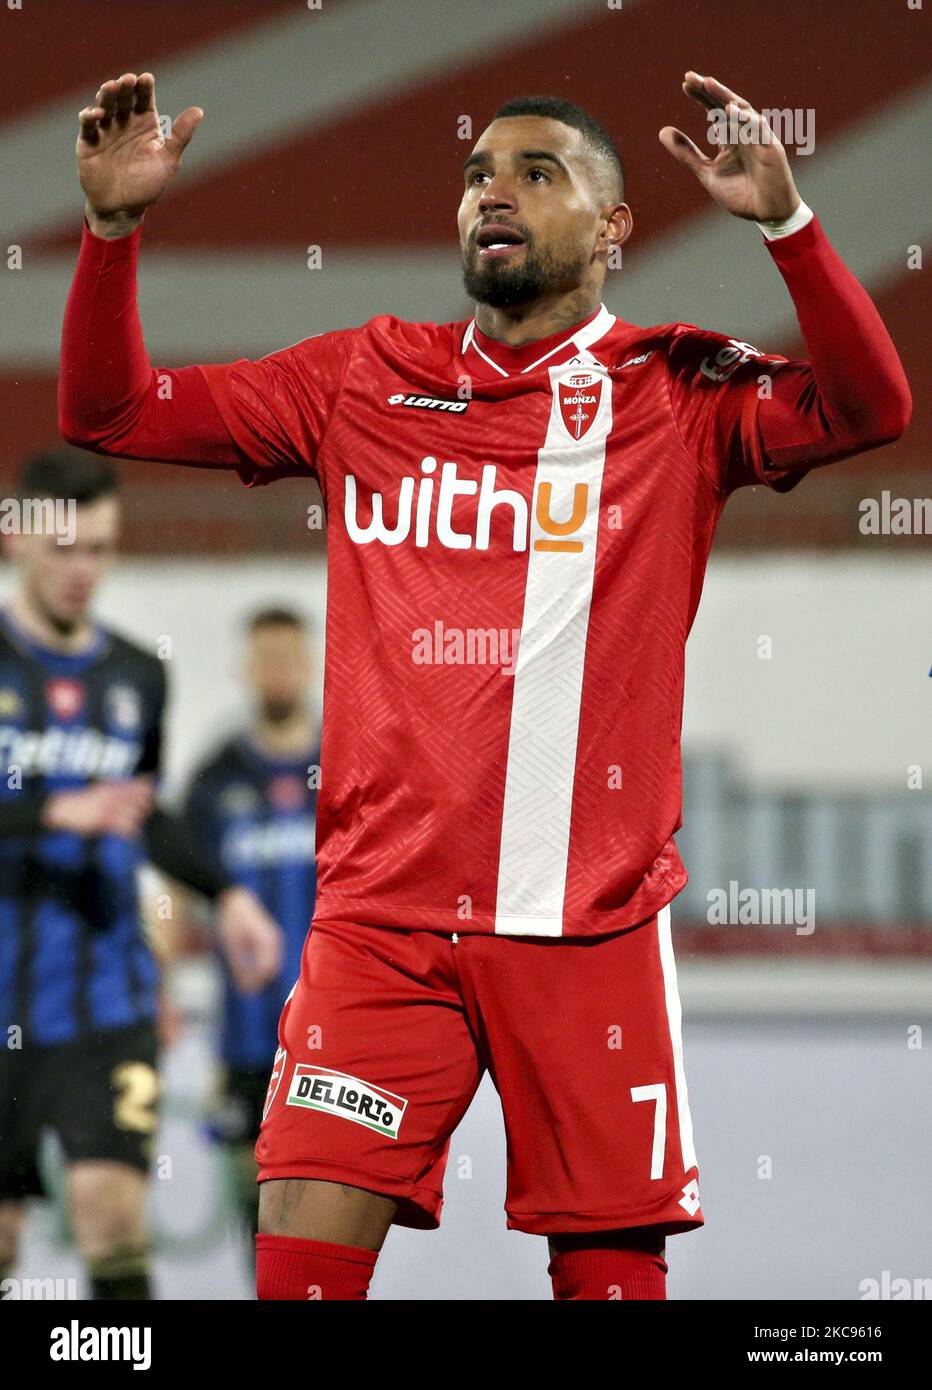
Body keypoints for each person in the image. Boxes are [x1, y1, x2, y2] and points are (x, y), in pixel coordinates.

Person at [59, 71, 910, 1301]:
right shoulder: (361, 379)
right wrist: (113, 232)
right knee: (296, 1277)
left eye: (535, 173)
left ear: (613, 230)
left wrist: (789, 230)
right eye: (475, 175)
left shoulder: (672, 393)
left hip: (588, 931)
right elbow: (112, 409)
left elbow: (868, 406)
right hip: (380, 931)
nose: (490, 195)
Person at [0, 448, 282, 1300]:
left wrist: (226, 893)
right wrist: (53, 809)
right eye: (64, 550)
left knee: (112, 1212)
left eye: (100, 548)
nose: (83, 570)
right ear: (16, 541)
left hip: (106, 1002)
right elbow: (85, 805)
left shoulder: (137, 675)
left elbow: (144, 810)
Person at [182, 607, 319, 1241]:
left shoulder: (347, 768)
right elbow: (177, 900)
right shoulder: (214, 781)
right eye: (265, 658)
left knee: (320, 1199)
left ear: (310, 663)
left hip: (330, 1029)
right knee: (254, 1203)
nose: (277, 672)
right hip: (242, 1035)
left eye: (289, 657)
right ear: (246, 667)